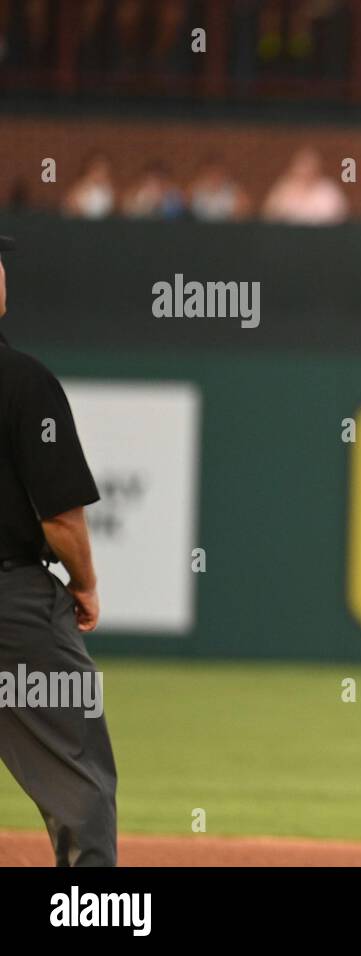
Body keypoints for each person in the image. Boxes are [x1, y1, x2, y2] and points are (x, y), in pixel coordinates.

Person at [0, 235, 117, 866]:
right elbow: (61, 521)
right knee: (79, 776)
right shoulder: (23, 382)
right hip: (13, 608)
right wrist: (86, 583)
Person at [261, 147, 348, 226]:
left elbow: (338, 220)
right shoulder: (283, 189)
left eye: (309, 167)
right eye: (302, 167)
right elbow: (269, 217)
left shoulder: (329, 191)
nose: (305, 172)